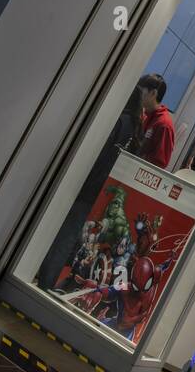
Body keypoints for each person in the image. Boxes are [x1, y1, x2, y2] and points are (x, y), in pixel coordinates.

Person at [37, 89, 142, 289]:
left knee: (64, 237)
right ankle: (53, 281)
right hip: (104, 194)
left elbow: (97, 155)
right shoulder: (136, 131)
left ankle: (46, 282)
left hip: (87, 186)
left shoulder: (118, 122)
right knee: (76, 239)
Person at [135, 74, 174, 168]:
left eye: (141, 91)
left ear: (153, 93)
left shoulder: (164, 125)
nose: (137, 95)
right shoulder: (145, 115)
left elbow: (159, 164)